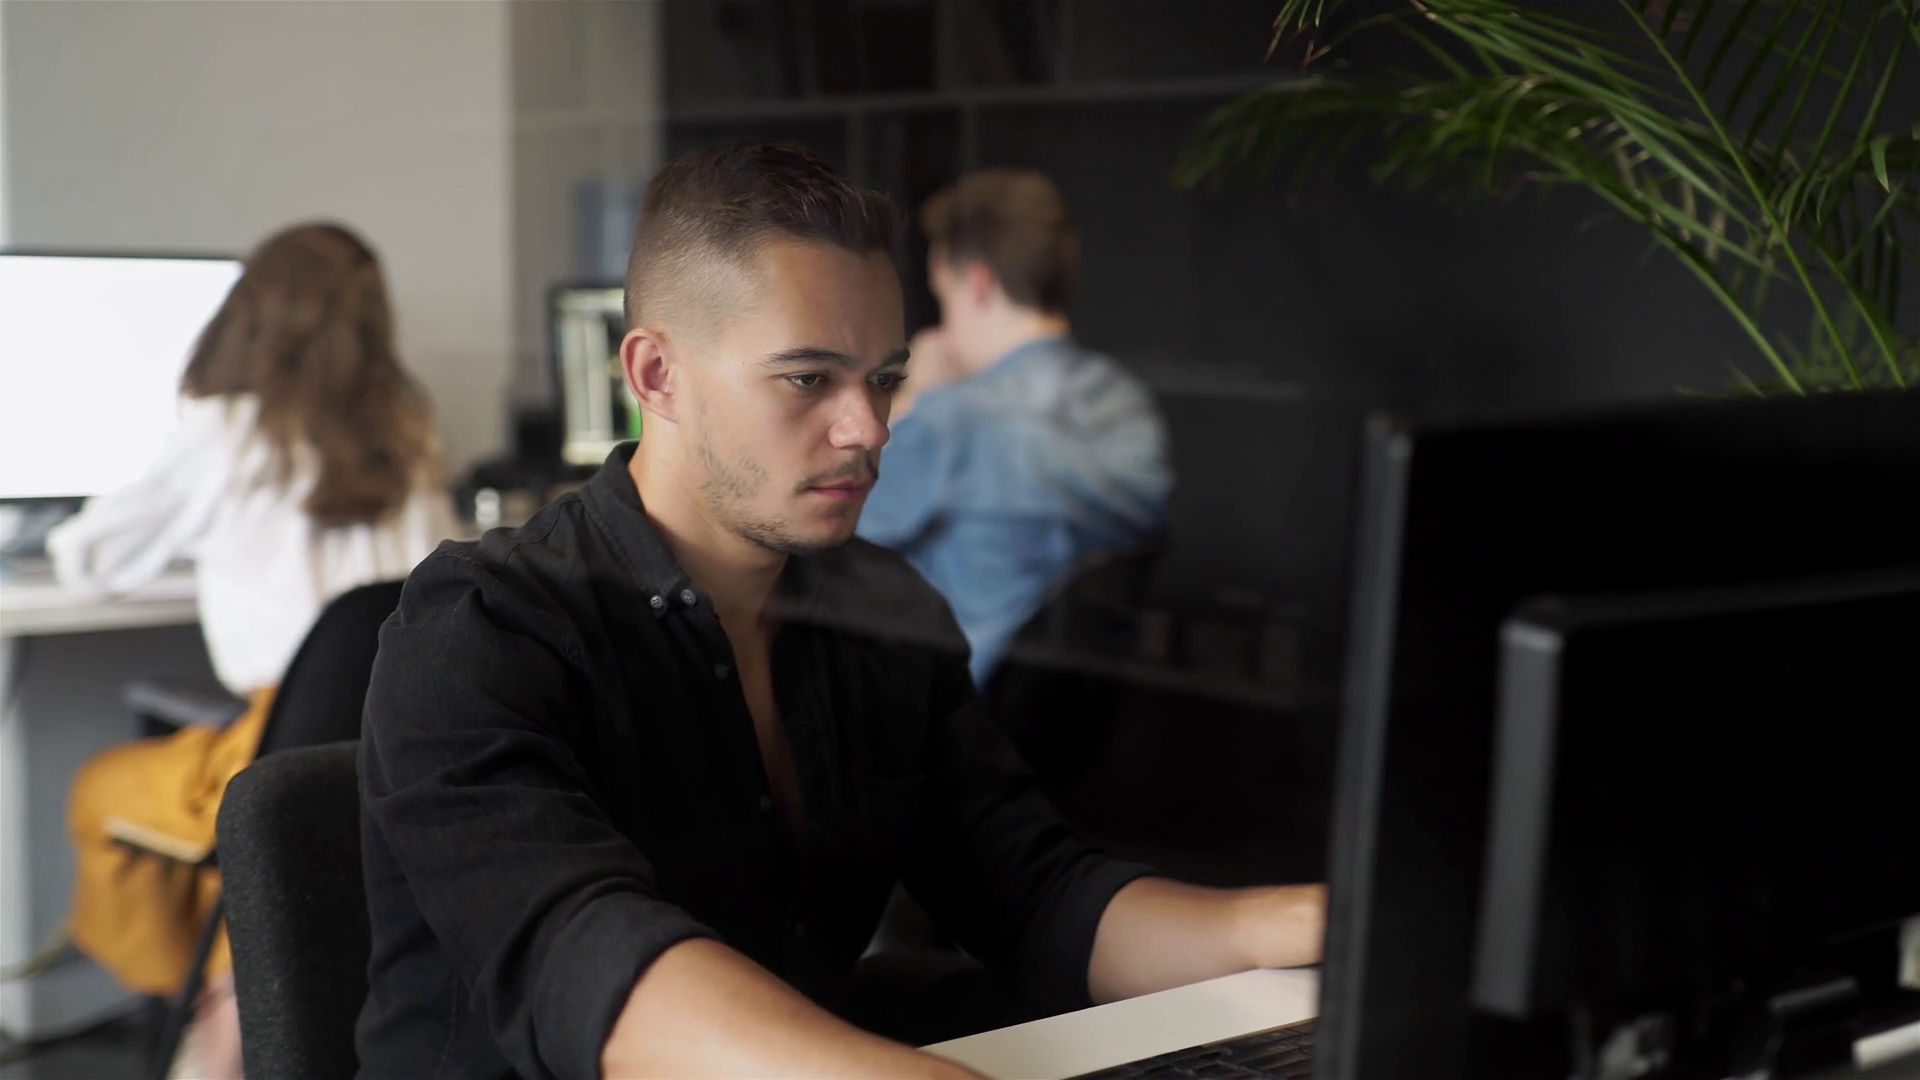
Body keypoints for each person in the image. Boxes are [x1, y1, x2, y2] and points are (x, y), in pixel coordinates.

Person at [356, 142, 1322, 1080]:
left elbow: (1036, 895)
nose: (869, 429)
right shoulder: (481, 627)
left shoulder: (884, 613)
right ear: (655, 376)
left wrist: (1292, 926)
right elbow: (590, 970)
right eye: (807, 378)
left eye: (886, 378)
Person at [51, 222, 456, 1079]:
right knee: (224, 811)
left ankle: (213, 994)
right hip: (399, 740)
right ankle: (245, 979)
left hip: (275, 752)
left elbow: (90, 558)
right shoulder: (409, 429)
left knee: (102, 790)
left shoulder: (228, 431)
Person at [858, 170, 1172, 684]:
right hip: (1066, 711)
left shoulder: (953, 420)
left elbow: (834, 533)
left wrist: (911, 399)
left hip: (945, 703)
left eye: (944, 297)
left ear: (978, 284)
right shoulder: (1128, 405)